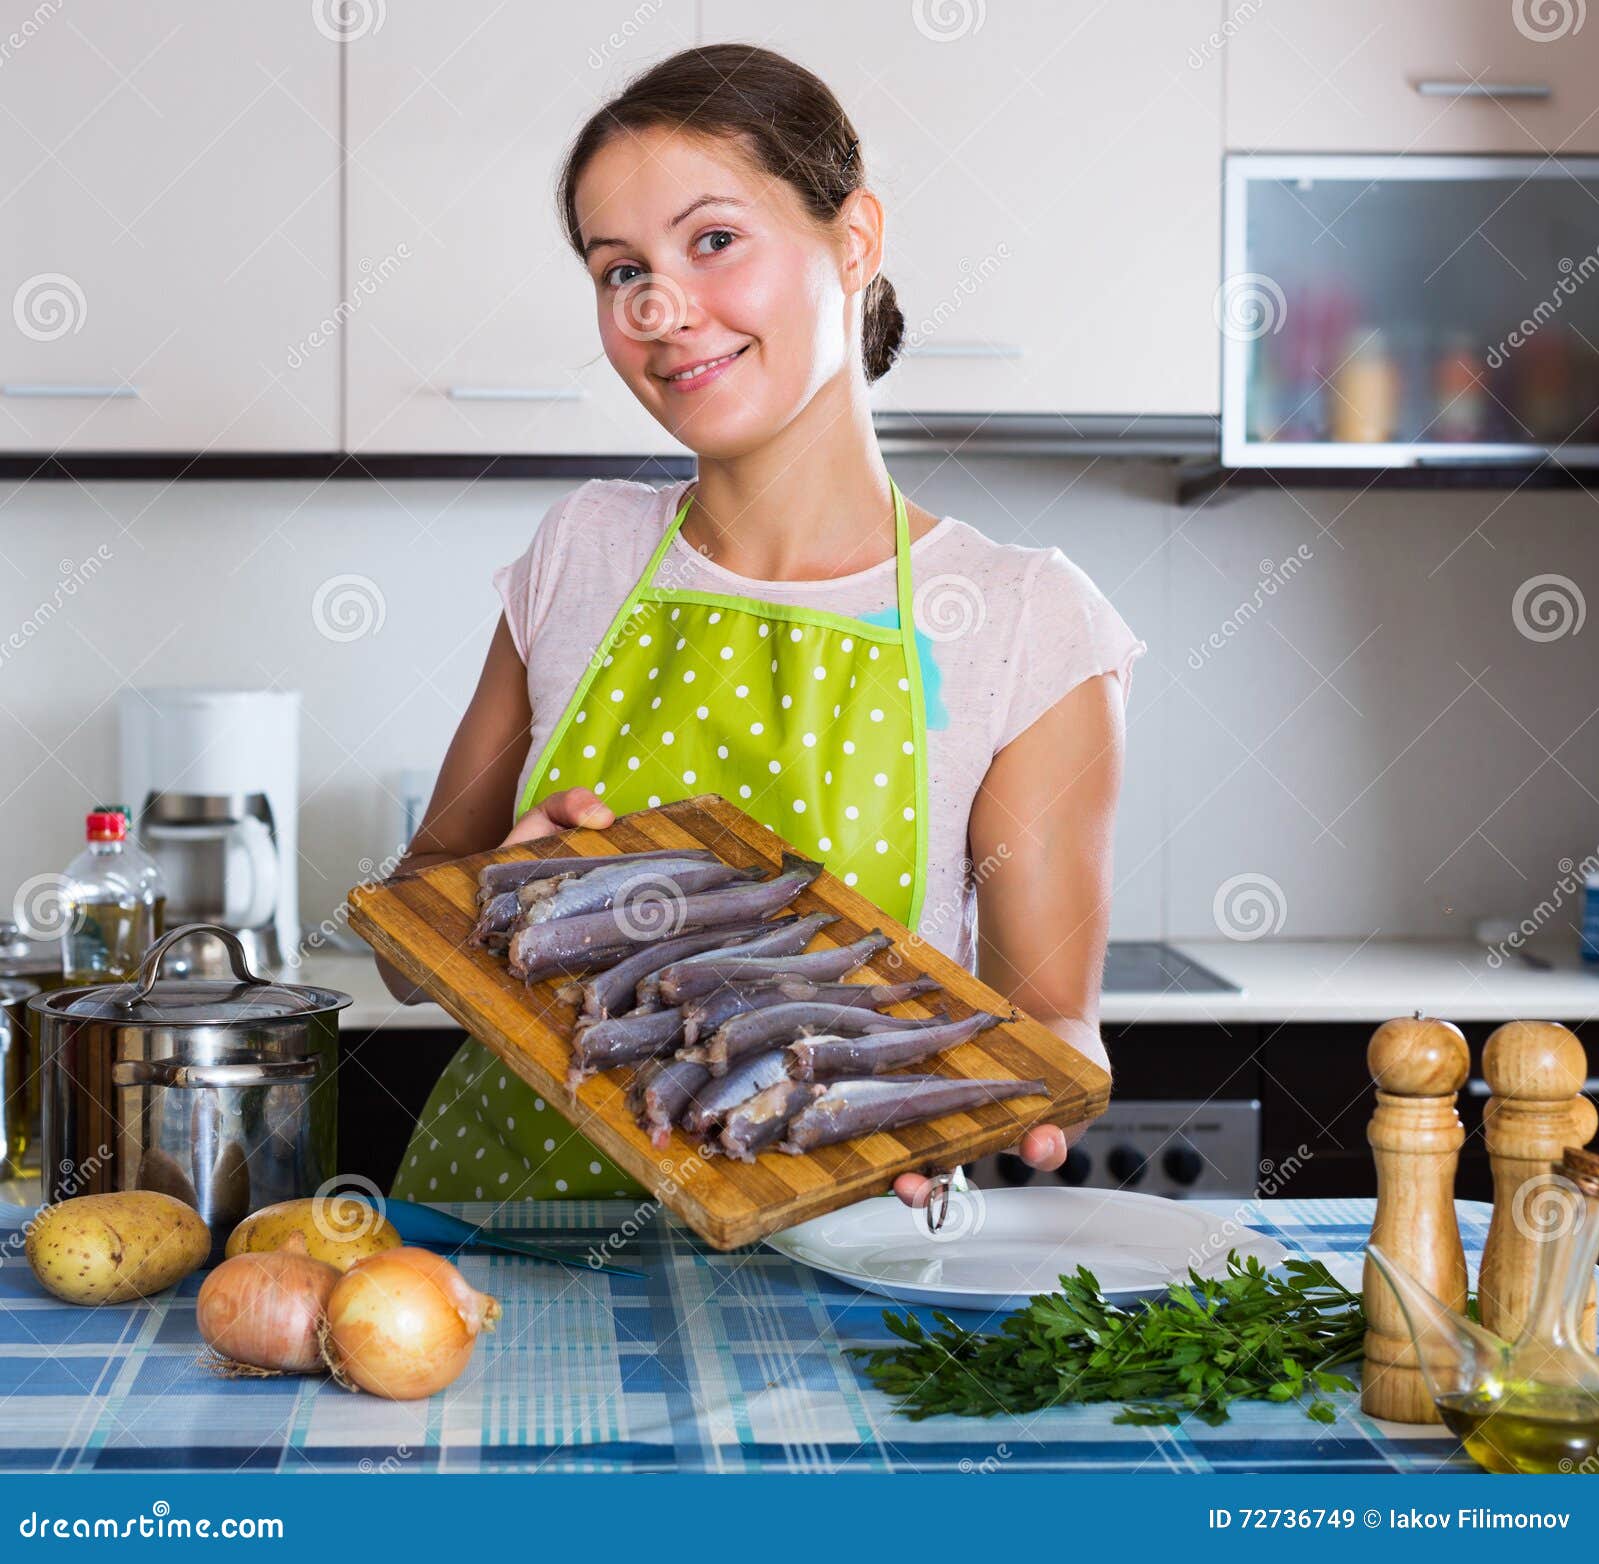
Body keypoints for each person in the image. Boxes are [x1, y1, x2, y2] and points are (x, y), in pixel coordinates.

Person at [376, 43, 1145, 1210]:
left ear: (853, 242)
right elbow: (400, 938)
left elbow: (1048, 1026)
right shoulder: (579, 552)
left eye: (713, 241)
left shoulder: (1023, 620)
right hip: (501, 1246)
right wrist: (487, 908)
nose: (659, 308)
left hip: (831, 1274)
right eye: (617, 267)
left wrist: (1001, 1107)